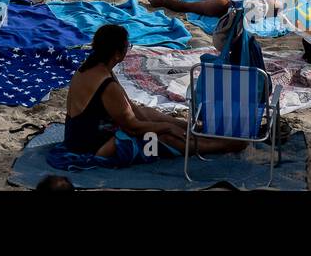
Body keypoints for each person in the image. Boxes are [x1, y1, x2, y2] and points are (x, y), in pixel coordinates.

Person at [63, 25, 241, 163]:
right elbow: (133, 127)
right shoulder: (107, 85)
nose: (128, 50)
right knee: (157, 137)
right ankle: (220, 146)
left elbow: (130, 106)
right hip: (92, 148)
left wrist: (169, 123)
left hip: (81, 135)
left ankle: (191, 129)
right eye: (127, 47)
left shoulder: (94, 67)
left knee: (147, 112)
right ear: (117, 54)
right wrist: (166, 127)